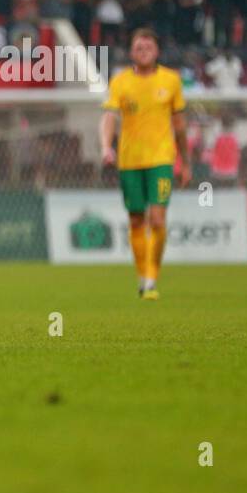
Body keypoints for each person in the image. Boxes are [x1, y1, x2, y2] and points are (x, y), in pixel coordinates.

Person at [98, 28, 191, 300]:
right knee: (137, 219)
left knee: (157, 218)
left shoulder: (171, 80)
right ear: (131, 52)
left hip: (162, 159)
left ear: (157, 51)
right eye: (138, 47)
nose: (143, 51)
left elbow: (180, 125)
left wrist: (186, 162)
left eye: (148, 47)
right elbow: (109, 116)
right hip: (129, 161)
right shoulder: (120, 81)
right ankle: (142, 277)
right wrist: (106, 147)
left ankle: (151, 279)